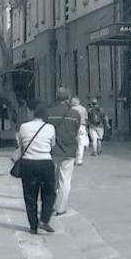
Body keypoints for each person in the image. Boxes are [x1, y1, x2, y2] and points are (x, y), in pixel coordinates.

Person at [14, 102, 57, 234]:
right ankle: (44, 219)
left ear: (33, 113)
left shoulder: (24, 127)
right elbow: (52, 145)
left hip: (28, 163)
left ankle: (33, 226)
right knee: (49, 193)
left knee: (30, 195)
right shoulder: (50, 128)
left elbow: (21, 144)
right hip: (45, 162)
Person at [47, 87, 81, 215]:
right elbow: (76, 132)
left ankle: (50, 205)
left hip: (52, 150)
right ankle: (61, 207)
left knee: (51, 180)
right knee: (65, 180)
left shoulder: (49, 112)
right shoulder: (75, 114)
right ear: (68, 98)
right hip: (69, 150)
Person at [71, 96, 89, 165]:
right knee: (81, 144)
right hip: (82, 126)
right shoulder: (83, 109)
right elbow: (86, 118)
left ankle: (74, 158)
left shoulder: (71, 109)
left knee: (73, 143)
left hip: (73, 127)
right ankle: (79, 160)